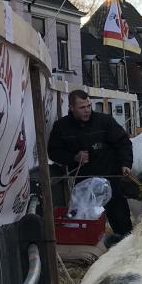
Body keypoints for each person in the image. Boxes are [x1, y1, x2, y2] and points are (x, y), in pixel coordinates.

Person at [47, 89, 134, 245]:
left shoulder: (105, 122)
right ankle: (90, 250)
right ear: (71, 108)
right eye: (82, 107)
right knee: (86, 218)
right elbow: (53, 152)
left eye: (88, 106)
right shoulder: (61, 127)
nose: (87, 110)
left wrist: (126, 164)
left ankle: (127, 244)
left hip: (110, 178)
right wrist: (73, 157)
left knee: (120, 218)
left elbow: (124, 143)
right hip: (84, 182)